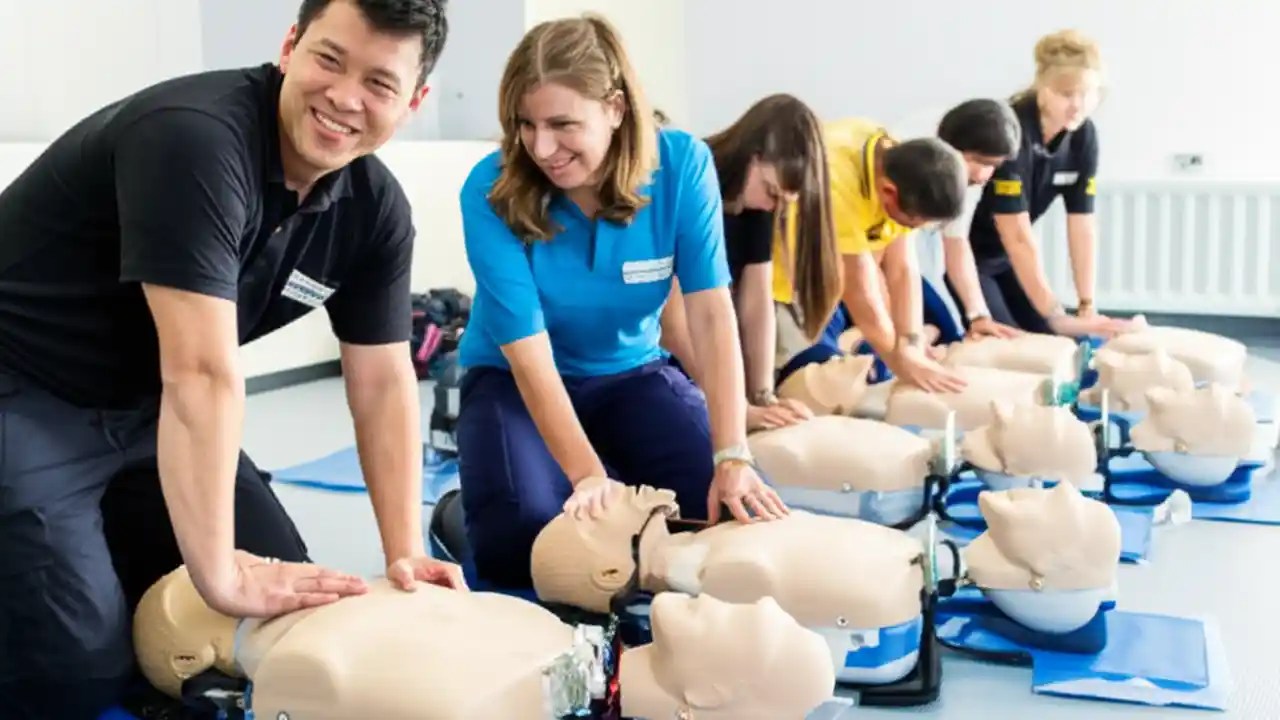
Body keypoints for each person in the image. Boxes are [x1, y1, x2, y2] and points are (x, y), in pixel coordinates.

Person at [0, 1, 462, 716]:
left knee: (294, 601)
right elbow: (201, 375)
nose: (343, 98)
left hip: (143, 405)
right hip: (24, 385)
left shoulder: (375, 210)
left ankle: (86, 551)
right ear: (290, 44)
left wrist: (405, 550)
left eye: (379, 82)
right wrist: (214, 574)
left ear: (414, 100)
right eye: (329, 60)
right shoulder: (196, 139)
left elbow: (382, 381)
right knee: (75, 674)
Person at [453, 14, 788, 591]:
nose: (541, 147)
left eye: (562, 124)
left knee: (722, 509)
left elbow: (711, 313)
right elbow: (529, 357)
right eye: (525, 125)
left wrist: (733, 452)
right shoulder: (490, 190)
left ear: (614, 107)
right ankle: (464, 509)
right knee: (531, 534)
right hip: (513, 380)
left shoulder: (682, 164)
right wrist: (587, 478)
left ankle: (603, 467)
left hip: (630, 373)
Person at [660, 94, 838, 433]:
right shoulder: (691, 181)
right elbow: (675, 323)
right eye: (772, 192)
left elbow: (757, 303)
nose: (773, 207)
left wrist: (763, 394)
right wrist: (730, 404)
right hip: (653, 346)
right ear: (752, 158)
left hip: (698, 342)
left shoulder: (757, 207)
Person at [773, 119, 970, 393]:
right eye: (913, 223)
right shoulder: (836, 184)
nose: (913, 229)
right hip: (769, 272)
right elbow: (858, 290)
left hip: (822, 277)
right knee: (807, 388)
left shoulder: (902, 163)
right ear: (889, 191)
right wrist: (903, 362)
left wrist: (910, 343)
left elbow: (902, 269)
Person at [954, 29, 1129, 338]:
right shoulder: (1011, 131)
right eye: (1066, 94)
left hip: (1006, 262)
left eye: (1087, 94)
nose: (1077, 105)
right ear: (1042, 89)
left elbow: (1082, 224)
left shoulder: (1083, 135)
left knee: (1062, 340)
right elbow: (1017, 235)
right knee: (1013, 346)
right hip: (968, 257)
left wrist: (1086, 305)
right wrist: (1055, 313)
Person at [894, 99, 1026, 342]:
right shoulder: (916, 165)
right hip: (882, 243)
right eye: (976, 161)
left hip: (918, 244)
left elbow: (956, 241)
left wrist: (978, 315)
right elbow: (900, 263)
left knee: (949, 328)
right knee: (918, 326)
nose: (982, 175)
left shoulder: (969, 177)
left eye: (992, 166)